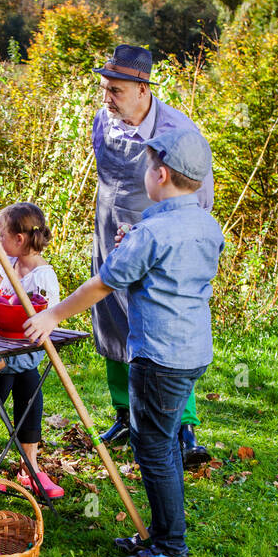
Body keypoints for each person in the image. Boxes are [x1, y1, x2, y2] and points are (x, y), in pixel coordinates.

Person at [25, 128, 223, 557]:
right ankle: (160, 532)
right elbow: (168, 270)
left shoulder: (152, 231)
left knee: (152, 448)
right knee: (166, 442)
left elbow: (102, 284)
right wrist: (134, 244)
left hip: (158, 355)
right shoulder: (206, 224)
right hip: (192, 351)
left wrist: (53, 316)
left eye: (147, 169)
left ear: (162, 173)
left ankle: (171, 548)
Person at [90, 44, 213, 469]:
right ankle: (125, 415)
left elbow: (200, 197)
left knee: (160, 324)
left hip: (160, 238)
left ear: (143, 90)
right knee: (111, 319)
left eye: (117, 90)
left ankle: (185, 427)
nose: (108, 98)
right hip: (111, 228)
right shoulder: (103, 120)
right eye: (105, 88)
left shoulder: (178, 132)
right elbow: (106, 173)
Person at [0, 202, 64, 499]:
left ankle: (6, 462)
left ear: (19, 239)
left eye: (2, 235)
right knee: (16, 378)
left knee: (16, 376)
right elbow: (2, 302)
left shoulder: (43, 277)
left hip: (25, 347)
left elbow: (43, 318)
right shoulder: (11, 265)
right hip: (3, 345)